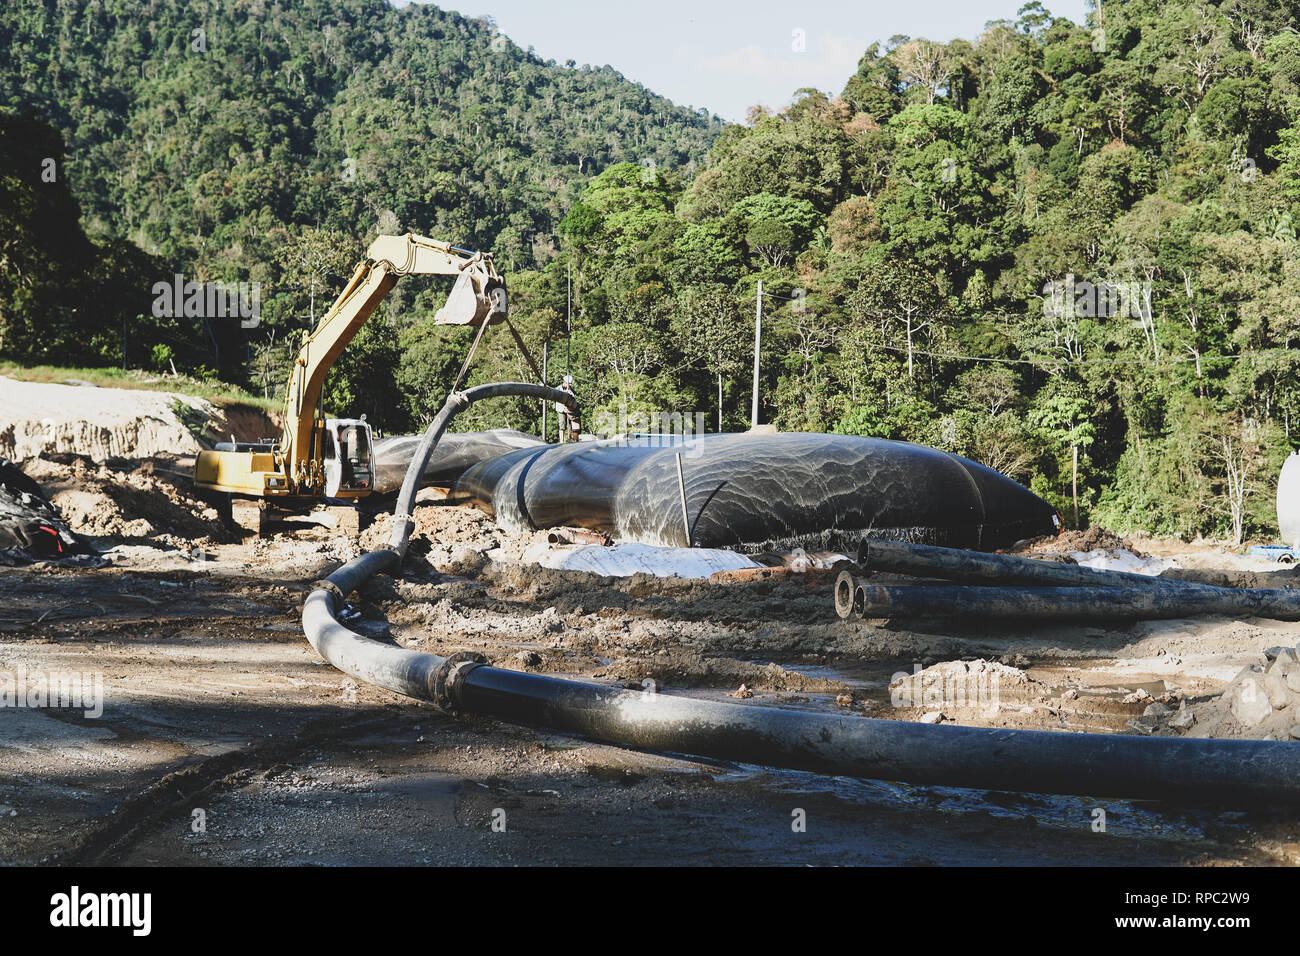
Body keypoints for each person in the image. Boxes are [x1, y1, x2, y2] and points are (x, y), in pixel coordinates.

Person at [555, 375, 580, 442]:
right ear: (565, 382)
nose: (569, 386)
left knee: (570, 425)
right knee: (562, 424)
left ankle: (570, 438)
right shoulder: (558, 389)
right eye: (568, 384)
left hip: (569, 410)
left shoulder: (571, 390)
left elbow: (575, 398)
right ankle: (561, 440)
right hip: (561, 409)